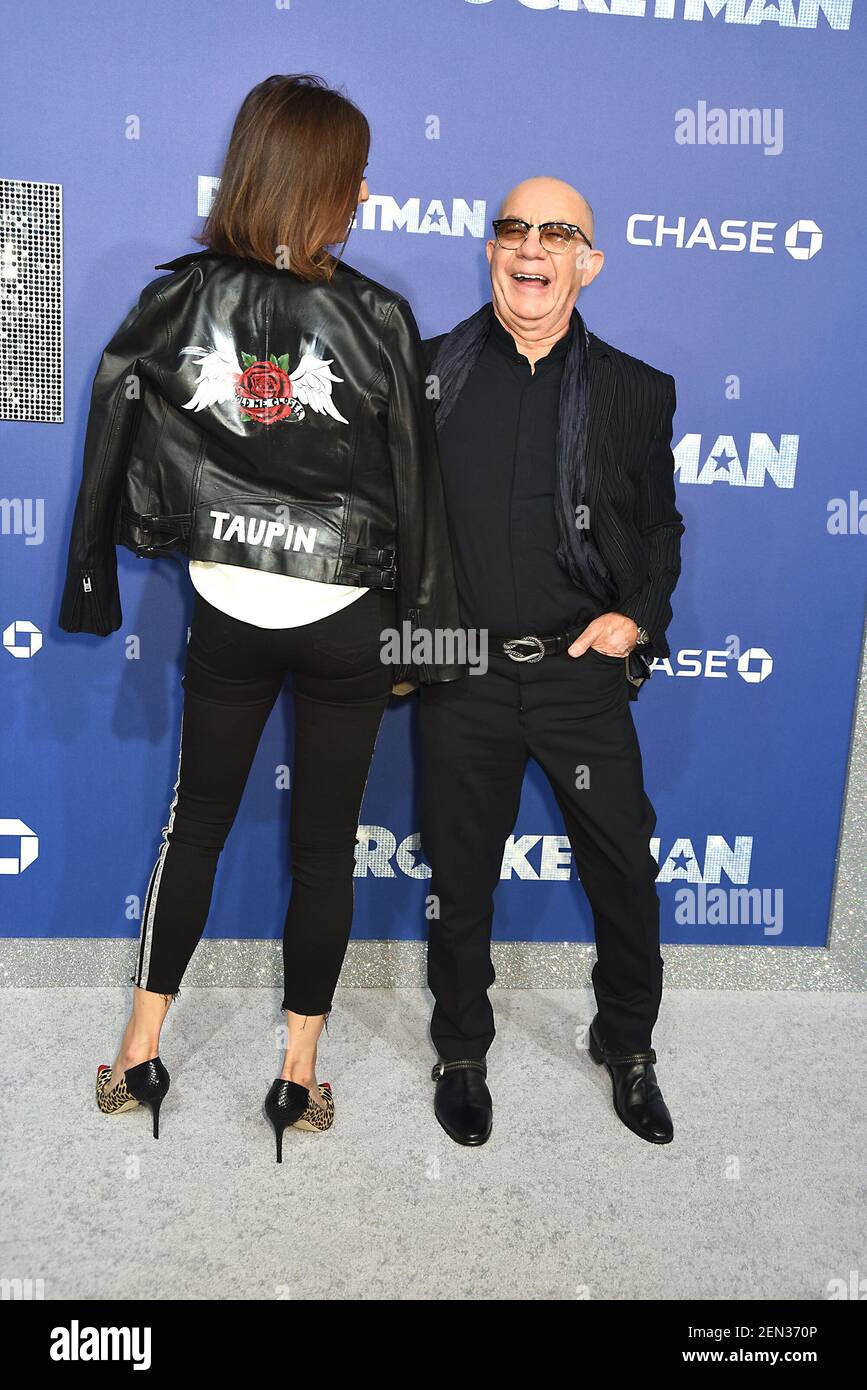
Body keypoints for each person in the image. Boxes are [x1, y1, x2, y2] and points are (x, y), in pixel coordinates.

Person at [58, 73, 463, 1161]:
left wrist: (89, 575)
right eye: (356, 175)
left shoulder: (178, 299)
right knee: (326, 850)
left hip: (229, 606)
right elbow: (419, 488)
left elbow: (112, 410)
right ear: (324, 183)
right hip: (348, 618)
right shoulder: (378, 317)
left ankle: (138, 1052)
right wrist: (426, 636)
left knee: (196, 826)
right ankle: (299, 1076)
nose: (368, 193)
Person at [419, 176, 685, 1148]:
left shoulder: (634, 391)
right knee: (459, 881)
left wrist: (637, 617)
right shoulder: (426, 373)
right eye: (514, 230)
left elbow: (659, 532)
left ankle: (627, 1045)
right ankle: (460, 1049)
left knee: (624, 872)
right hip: (464, 675)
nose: (532, 248)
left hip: (579, 682)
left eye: (557, 232)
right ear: (491, 251)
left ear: (589, 261)